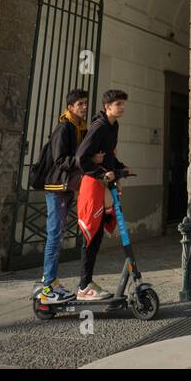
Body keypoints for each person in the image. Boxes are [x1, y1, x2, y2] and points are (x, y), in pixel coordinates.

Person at [73, 89, 132, 300]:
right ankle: (83, 287)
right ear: (107, 106)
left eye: (123, 104)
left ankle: (87, 282)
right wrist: (101, 172)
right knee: (90, 237)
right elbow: (81, 158)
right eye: (118, 104)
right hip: (92, 185)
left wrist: (120, 168)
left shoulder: (113, 126)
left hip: (103, 185)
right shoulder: (99, 127)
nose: (122, 107)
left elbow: (108, 155)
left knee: (97, 237)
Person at [34, 89, 88, 302]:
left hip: (66, 188)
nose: (84, 107)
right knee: (55, 234)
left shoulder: (79, 128)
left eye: (85, 103)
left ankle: (52, 280)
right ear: (70, 107)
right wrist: (81, 160)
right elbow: (59, 160)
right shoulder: (64, 127)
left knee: (58, 233)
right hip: (56, 186)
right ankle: (47, 285)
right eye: (80, 104)